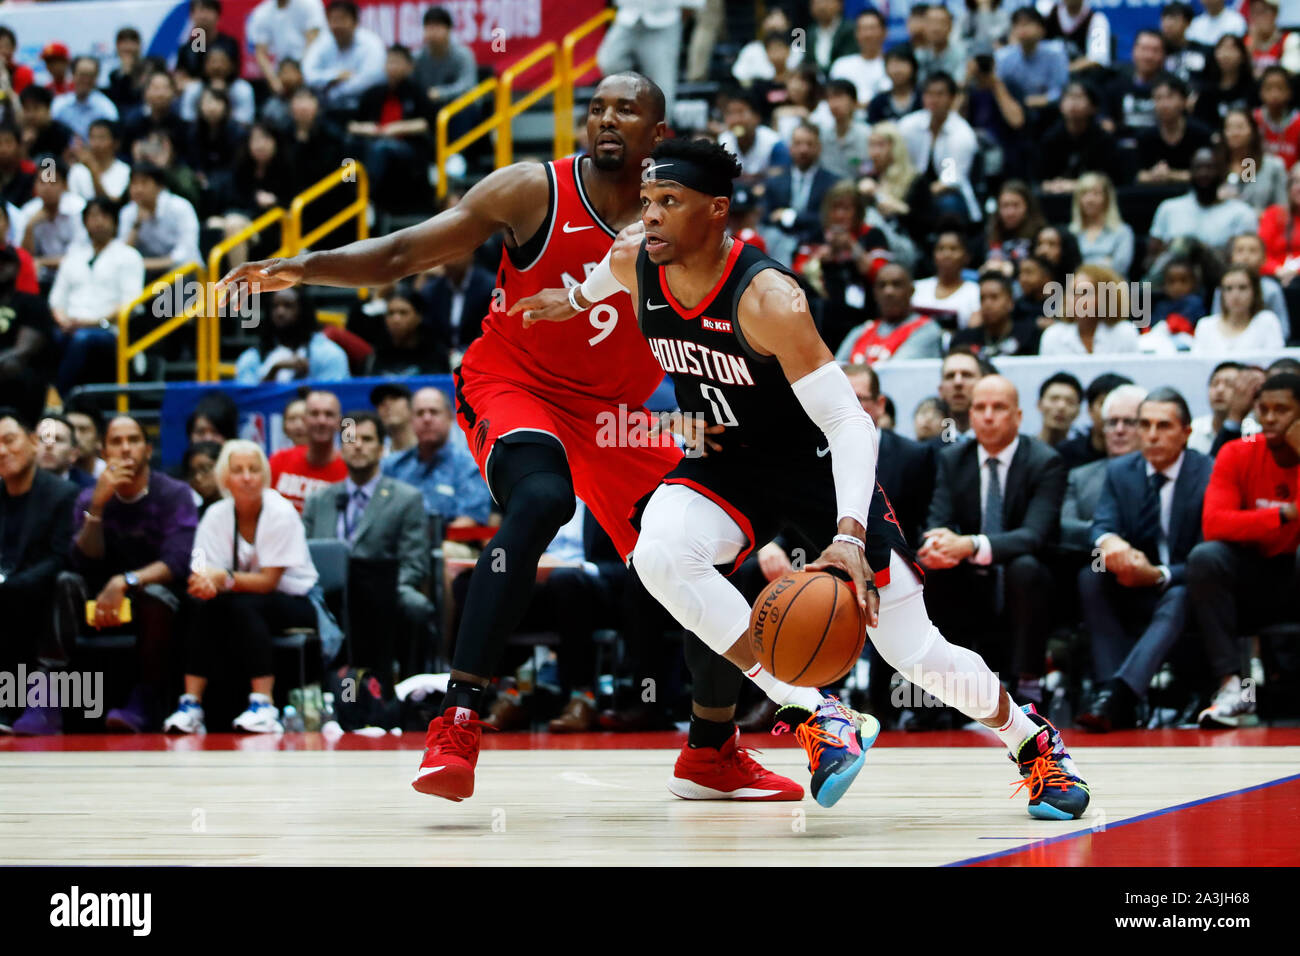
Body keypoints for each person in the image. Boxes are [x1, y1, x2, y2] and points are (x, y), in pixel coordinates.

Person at [218, 74, 798, 804]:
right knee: (543, 499)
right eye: (596, 109)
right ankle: (457, 720)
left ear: (658, 135)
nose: (606, 119)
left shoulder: (678, 227)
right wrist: (304, 267)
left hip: (611, 416)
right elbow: (402, 253)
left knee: (711, 548)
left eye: (626, 109)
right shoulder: (533, 191)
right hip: (512, 380)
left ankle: (712, 750)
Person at [514, 137, 1090, 819]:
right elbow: (607, 273)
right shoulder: (635, 258)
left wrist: (848, 535)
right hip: (726, 461)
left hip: (818, 470)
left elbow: (851, 423)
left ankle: (1032, 741)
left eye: (670, 202)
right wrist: (573, 298)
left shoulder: (769, 300)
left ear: (716, 211)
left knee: (912, 651)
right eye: (647, 202)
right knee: (658, 554)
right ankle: (817, 711)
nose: (652, 217)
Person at [921, 374, 1068, 718]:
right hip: (970, 580)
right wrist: (938, 545)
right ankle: (940, 692)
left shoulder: (1045, 461)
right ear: (970, 415)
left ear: (1018, 416)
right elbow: (936, 521)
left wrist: (969, 545)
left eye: (998, 408)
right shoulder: (952, 459)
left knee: (1025, 567)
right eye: (980, 407)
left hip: (1028, 580)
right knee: (931, 567)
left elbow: (1034, 535)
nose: (988, 416)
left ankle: (1028, 683)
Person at [1077, 387, 1213, 732]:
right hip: (1130, 583)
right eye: (1146, 425)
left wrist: (1158, 574)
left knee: (1181, 594)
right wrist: (1111, 544)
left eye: (1163, 426)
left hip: (1185, 585)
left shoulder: (1207, 473)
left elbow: (1208, 555)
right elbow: (1101, 525)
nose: (1151, 435)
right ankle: (1112, 690)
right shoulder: (1122, 470)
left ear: (1186, 432)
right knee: (1090, 574)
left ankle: (1118, 694)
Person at [163, 440, 320, 735]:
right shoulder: (216, 514)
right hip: (238, 598)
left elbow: (269, 582)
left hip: (295, 602)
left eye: (253, 469)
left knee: (244, 606)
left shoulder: (280, 511)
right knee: (197, 604)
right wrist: (204, 582)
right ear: (225, 478)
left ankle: (264, 704)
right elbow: (201, 569)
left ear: (265, 475)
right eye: (238, 470)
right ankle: (191, 704)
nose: (247, 477)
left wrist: (221, 578)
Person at [62, 416, 197, 733]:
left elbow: (177, 561)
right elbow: (82, 561)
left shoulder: (174, 494)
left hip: (157, 598)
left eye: (133, 440)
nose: (125, 449)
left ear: (148, 449)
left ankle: (146, 701)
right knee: (62, 584)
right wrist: (96, 509)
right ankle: (52, 697)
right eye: (116, 441)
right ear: (103, 451)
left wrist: (125, 581)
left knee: (156, 596)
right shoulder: (87, 498)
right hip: (102, 601)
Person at [1187, 373, 1300, 728]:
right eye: (1263, 409)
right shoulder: (1237, 452)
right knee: (1205, 557)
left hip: (1294, 574)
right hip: (1251, 580)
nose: (1269, 418)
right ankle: (1232, 687)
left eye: (1281, 409)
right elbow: (1216, 524)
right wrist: (1283, 513)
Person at [303, 411, 431, 685]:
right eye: (350, 439)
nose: (357, 445)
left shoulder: (406, 499)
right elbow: (304, 558)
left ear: (382, 448)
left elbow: (414, 564)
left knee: (415, 606)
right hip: (329, 595)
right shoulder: (319, 500)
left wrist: (377, 591)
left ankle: (408, 696)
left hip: (384, 594)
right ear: (340, 448)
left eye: (367, 439)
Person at [0, 408, 78, 733]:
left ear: (33, 442)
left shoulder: (62, 494)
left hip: (40, 592)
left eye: (9, 441)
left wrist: (12, 583)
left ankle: (23, 704)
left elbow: (62, 557)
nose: (2, 451)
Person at [49, 198, 145, 397]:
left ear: (115, 222)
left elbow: (130, 302)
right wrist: (63, 320)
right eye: (92, 216)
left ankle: (59, 397)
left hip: (109, 329)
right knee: (47, 336)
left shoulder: (129, 256)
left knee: (82, 339)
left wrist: (90, 323)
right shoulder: (73, 257)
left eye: (104, 216)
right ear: (85, 223)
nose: (98, 221)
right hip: (71, 326)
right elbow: (56, 300)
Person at [1059, 383, 1148, 553]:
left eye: (1129, 422)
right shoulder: (1080, 478)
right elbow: (1066, 527)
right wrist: (1107, 535)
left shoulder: (1160, 475)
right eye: (1112, 422)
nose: (1119, 430)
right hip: (1095, 559)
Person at [379, 387, 489, 524]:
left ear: (449, 417)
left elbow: (470, 519)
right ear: (411, 420)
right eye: (420, 413)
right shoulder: (392, 466)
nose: (426, 419)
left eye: (434, 412)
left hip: (450, 542)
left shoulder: (469, 466)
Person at [758, 123, 839, 267]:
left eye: (809, 144)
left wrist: (790, 217)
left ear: (819, 148)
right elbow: (766, 217)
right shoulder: (775, 182)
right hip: (779, 249)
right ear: (790, 148)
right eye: (798, 144)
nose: (803, 149)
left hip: (817, 248)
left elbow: (826, 220)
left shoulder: (832, 183)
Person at [234, 286, 349, 384]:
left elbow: (334, 400)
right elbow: (247, 400)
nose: (280, 312)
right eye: (275, 306)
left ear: (303, 311)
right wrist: (274, 370)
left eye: (288, 306)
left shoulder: (330, 354)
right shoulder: (251, 358)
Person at [835, 264, 944, 365]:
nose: (888, 292)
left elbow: (894, 374)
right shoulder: (861, 331)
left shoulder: (927, 329)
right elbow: (836, 370)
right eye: (882, 285)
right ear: (875, 294)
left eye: (896, 284)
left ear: (911, 291)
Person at [301, 0, 386, 115]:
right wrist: (334, 76)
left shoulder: (371, 43)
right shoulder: (323, 41)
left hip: (363, 107)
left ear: (355, 22)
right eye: (333, 20)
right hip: (328, 108)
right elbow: (308, 74)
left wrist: (335, 91)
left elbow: (371, 79)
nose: (337, 25)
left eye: (342, 19)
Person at [268, 388, 347, 512]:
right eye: (314, 414)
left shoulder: (349, 470)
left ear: (339, 422)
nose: (321, 421)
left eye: (329, 414)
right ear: (304, 420)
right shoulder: (279, 461)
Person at [0, 245, 53, 424]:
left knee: (13, 367)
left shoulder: (32, 303)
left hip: (16, 371)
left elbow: (24, 349)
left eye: (4, 262)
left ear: (16, 267)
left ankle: (23, 426)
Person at [1038, 264, 1142, 355]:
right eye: (1073, 292)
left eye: (1084, 292)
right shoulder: (1052, 336)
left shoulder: (1125, 333)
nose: (1077, 299)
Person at [1192, 265, 1287, 353]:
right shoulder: (1205, 326)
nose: (1235, 295)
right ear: (1221, 293)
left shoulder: (1267, 321)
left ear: (1255, 291)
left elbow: (1275, 362)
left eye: (1242, 288)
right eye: (1229, 288)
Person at [1056, 372, 1135, 470]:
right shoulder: (1066, 453)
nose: (1109, 412)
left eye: (1118, 405)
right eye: (1103, 404)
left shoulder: (1142, 455)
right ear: (1089, 409)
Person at [951, 272, 1041, 356]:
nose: (987, 304)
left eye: (994, 297)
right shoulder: (963, 340)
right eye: (982, 298)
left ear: (1010, 302)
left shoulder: (1029, 335)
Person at [247, 0, 327, 91]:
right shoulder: (261, 12)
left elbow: (313, 40)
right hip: (283, 73)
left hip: (313, 69)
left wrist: (300, 72)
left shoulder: (310, 3)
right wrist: (274, 81)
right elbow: (260, 52)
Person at [912, 228, 981, 331]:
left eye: (953, 249)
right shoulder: (916, 287)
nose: (946, 254)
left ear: (966, 257)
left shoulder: (975, 291)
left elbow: (973, 332)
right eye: (941, 249)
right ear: (934, 255)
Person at [1070, 173, 1135, 276]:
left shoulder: (1122, 231)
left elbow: (1119, 268)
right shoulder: (1071, 232)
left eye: (1096, 194)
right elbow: (1068, 268)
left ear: (1107, 199)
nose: (1089, 200)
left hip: (1112, 288)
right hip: (1078, 288)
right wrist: (1104, 262)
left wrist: (1084, 266)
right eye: (1084, 194)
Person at [50, 57, 118, 142]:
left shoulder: (106, 108)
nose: (85, 80)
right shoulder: (59, 104)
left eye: (90, 76)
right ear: (73, 75)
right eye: (82, 75)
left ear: (96, 78)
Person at [830, 9, 890, 105]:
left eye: (872, 28)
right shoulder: (841, 65)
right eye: (863, 29)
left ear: (885, 32)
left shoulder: (894, 66)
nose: (868, 34)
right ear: (856, 34)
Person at [68, 119, 130, 203]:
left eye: (102, 138)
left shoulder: (125, 171)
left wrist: (93, 173)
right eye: (92, 137)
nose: (96, 143)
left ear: (116, 143)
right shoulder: (77, 170)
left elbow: (113, 206)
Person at [1189, 361, 1243, 454]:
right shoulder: (1193, 429)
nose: (1220, 390)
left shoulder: (1253, 432)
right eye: (1215, 383)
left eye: (1229, 384)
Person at [34, 414, 95, 489]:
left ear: (73, 454)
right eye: (42, 439)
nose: (48, 445)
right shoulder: (17, 483)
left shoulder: (90, 488)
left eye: (58, 439)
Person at [182, 440, 223, 517]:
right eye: (192, 473)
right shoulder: (190, 517)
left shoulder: (238, 508)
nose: (198, 478)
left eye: (205, 469)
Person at [371, 383, 414, 456]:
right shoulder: (376, 454)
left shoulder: (431, 446)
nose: (387, 404)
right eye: (381, 402)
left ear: (411, 405)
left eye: (394, 398)